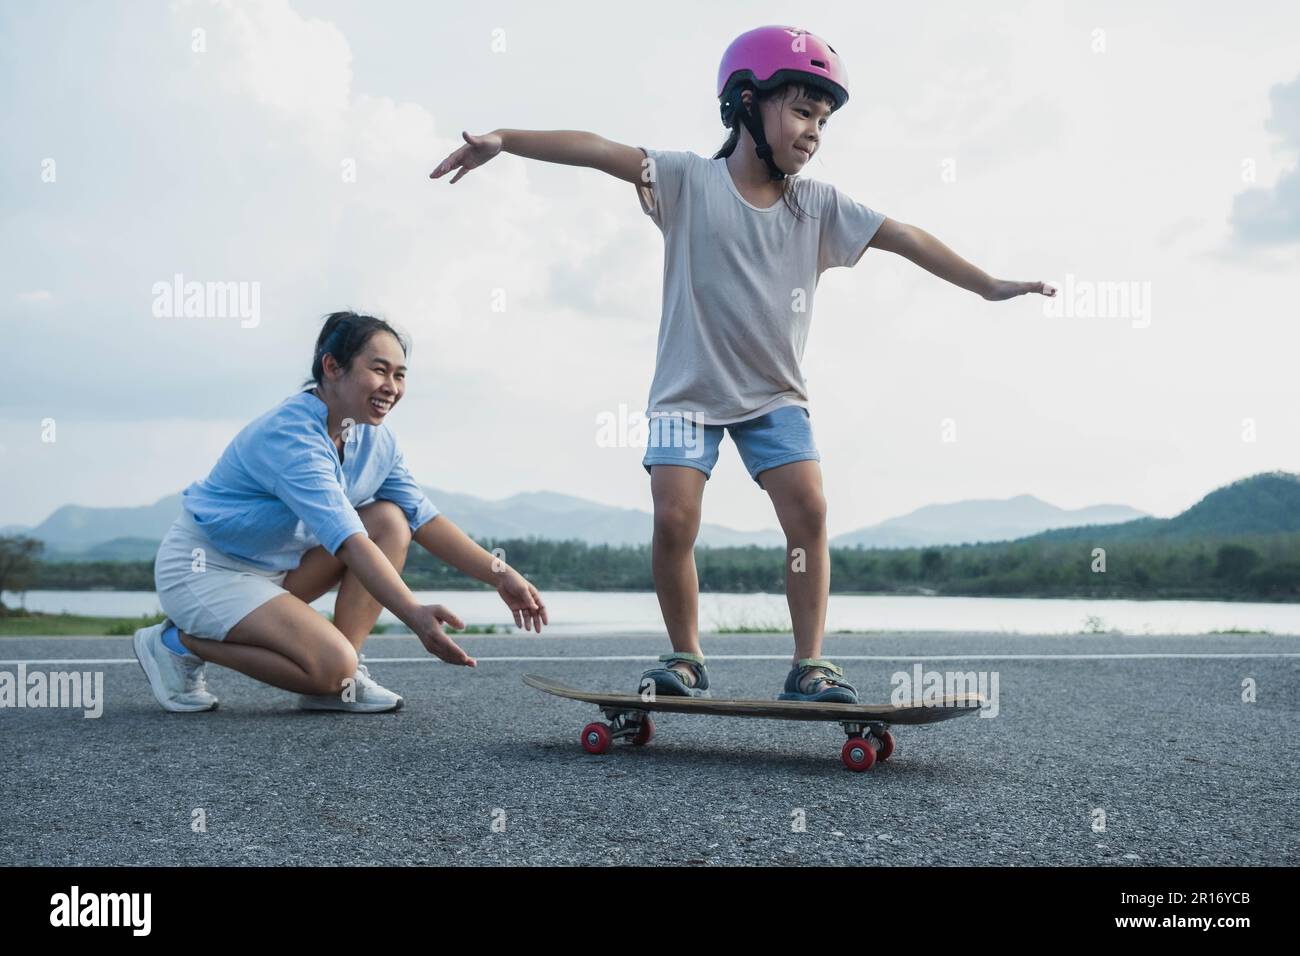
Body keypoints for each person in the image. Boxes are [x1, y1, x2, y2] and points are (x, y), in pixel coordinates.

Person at [429, 25, 1052, 702]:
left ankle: (810, 664)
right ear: (746, 104)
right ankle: (684, 656)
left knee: (809, 510)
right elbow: (599, 151)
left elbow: (904, 236)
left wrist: (989, 284)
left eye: (823, 118)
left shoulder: (819, 205)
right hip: (683, 396)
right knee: (673, 518)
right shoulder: (686, 180)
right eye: (801, 111)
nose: (813, 130)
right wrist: (504, 140)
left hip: (774, 396)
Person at [135, 310, 547, 713]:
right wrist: (415, 615)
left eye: (400, 375)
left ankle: (336, 683)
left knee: (390, 520)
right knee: (332, 664)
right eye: (379, 370)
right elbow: (349, 542)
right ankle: (176, 643)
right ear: (332, 367)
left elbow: (425, 520)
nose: (392, 386)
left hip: (277, 571)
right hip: (208, 573)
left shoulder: (374, 441)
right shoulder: (291, 436)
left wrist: (501, 575)